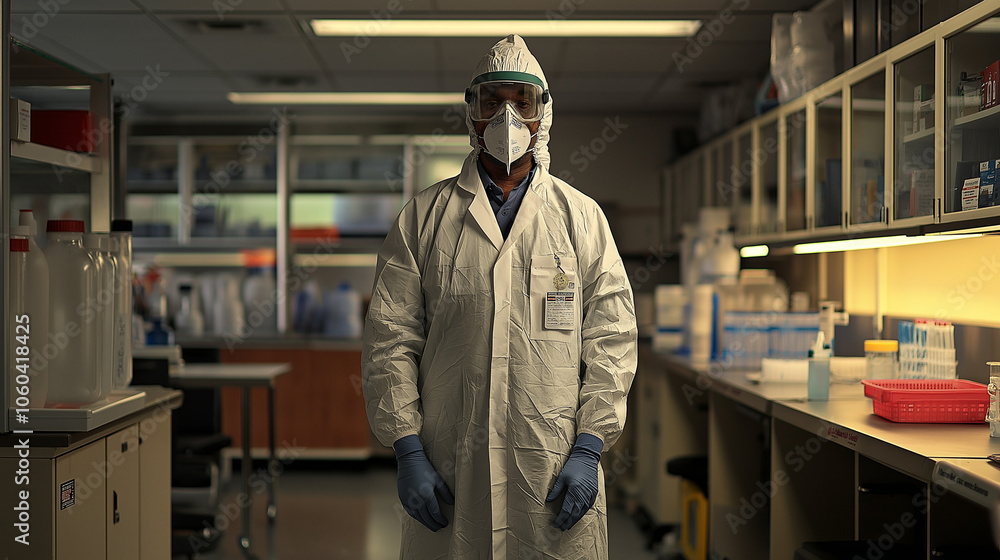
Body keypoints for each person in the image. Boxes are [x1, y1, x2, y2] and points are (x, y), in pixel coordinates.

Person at [362, 34, 637, 559]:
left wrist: (589, 445)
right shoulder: (423, 217)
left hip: (551, 464)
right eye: (493, 101)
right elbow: (389, 340)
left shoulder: (580, 218)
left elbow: (613, 339)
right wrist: (407, 447)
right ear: (472, 112)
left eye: (522, 101)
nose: (507, 117)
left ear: (543, 114)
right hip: (447, 466)